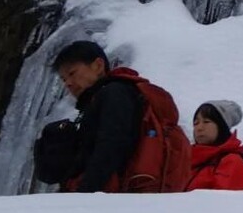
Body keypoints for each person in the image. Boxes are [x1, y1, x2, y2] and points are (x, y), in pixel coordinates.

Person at [35, 40, 190, 193]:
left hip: (116, 197)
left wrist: (84, 193)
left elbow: (112, 144)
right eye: (63, 79)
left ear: (98, 65)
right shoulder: (104, 98)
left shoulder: (114, 93)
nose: (68, 83)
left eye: (72, 73)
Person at [186, 100, 243, 190]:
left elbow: (225, 198)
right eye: (196, 123)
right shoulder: (188, 160)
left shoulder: (231, 161)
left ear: (222, 127)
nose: (199, 128)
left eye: (206, 122)